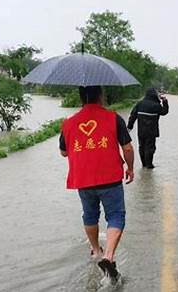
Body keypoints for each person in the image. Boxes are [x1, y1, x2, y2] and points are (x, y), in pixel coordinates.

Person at [59, 86, 134, 284]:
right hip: (110, 177)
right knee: (116, 215)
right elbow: (127, 147)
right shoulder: (114, 118)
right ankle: (109, 256)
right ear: (100, 97)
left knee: (90, 215)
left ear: (81, 98)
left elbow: (64, 152)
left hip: (83, 179)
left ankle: (97, 252)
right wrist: (131, 168)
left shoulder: (68, 123)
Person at [127, 88, 169, 168]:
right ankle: (149, 165)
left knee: (141, 147)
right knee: (150, 148)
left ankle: (144, 164)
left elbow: (133, 116)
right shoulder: (156, 105)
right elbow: (164, 112)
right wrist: (165, 101)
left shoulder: (140, 104)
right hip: (151, 132)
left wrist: (129, 127)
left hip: (141, 131)